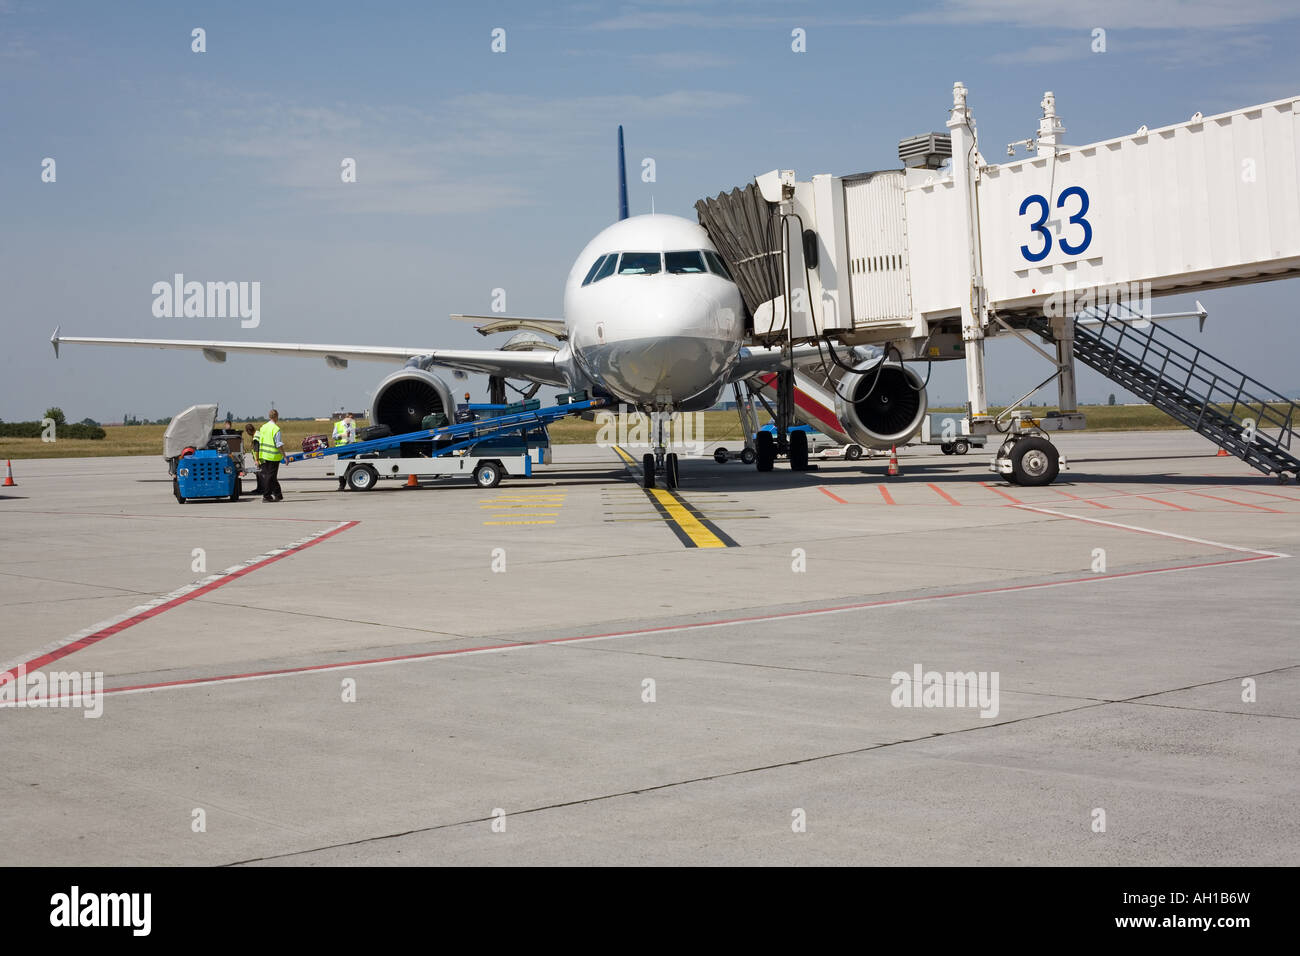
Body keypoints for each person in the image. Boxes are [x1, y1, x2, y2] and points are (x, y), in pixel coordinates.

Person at [256, 410, 285, 502]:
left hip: (264, 455)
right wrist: (284, 455)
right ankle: (266, 495)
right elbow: (278, 444)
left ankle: (278, 494)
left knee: (271, 476)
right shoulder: (276, 429)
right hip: (273, 456)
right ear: (276, 416)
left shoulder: (263, 427)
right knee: (270, 476)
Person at [332, 412, 356, 490]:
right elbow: (334, 436)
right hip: (342, 448)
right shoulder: (338, 425)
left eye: (353, 418)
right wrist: (342, 435)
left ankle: (353, 485)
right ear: (346, 418)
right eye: (351, 418)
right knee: (342, 468)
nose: (352, 419)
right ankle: (342, 485)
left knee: (352, 467)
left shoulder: (353, 425)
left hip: (351, 448)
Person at [244, 423, 263, 497]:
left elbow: (256, 450)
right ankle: (260, 488)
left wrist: (257, 460)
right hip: (263, 457)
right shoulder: (258, 433)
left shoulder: (255, 438)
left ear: (249, 431)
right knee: (259, 474)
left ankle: (260, 489)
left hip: (260, 459)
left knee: (260, 475)